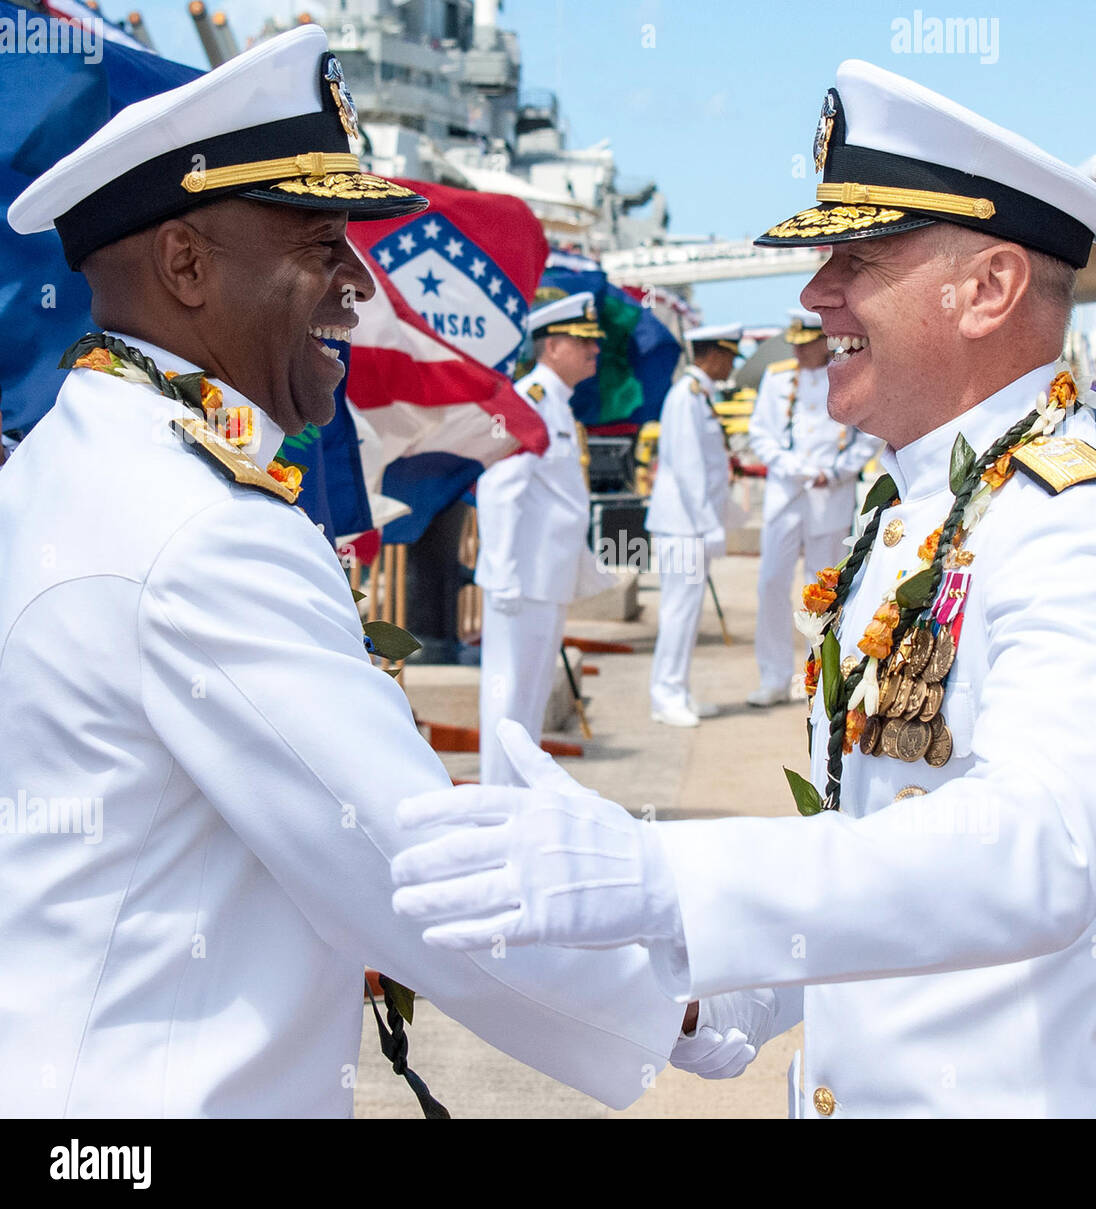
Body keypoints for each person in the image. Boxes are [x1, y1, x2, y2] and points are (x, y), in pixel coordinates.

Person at [390, 57, 1096, 1118]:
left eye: (859, 256)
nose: (813, 294)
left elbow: (1036, 853)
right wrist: (714, 997)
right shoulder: (920, 512)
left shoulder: (1086, 530)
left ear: (987, 289)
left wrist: (667, 871)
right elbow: (885, 836)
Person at [0, 25, 685, 1117]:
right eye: (322, 245)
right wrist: (697, 991)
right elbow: (408, 868)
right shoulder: (199, 526)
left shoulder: (73, 460)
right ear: (185, 264)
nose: (359, 287)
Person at [475, 292, 603, 785]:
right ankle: (499, 805)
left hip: (542, 578)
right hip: (521, 580)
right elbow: (501, 490)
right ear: (551, 347)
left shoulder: (555, 403)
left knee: (527, 696)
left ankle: (516, 803)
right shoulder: (532, 400)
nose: (594, 352)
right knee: (508, 698)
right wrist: (503, 574)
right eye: (583, 342)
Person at [747, 308, 876, 706]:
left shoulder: (849, 372)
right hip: (787, 492)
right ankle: (773, 675)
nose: (799, 352)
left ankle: (820, 675)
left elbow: (867, 434)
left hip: (829, 494)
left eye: (806, 344)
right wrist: (797, 469)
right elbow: (761, 435)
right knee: (771, 582)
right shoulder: (777, 378)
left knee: (823, 590)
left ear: (824, 341)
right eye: (795, 345)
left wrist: (837, 471)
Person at [645, 324, 740, 727]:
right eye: (730, 356)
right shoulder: (687, 396)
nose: (732, 364)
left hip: (689, 524)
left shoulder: (698, 395)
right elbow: (688, 468)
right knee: (678, 614)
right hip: (684, 525)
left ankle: (677, 691)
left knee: (686, 613)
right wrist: (707, 525)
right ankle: (665, 695)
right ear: (713, 354)